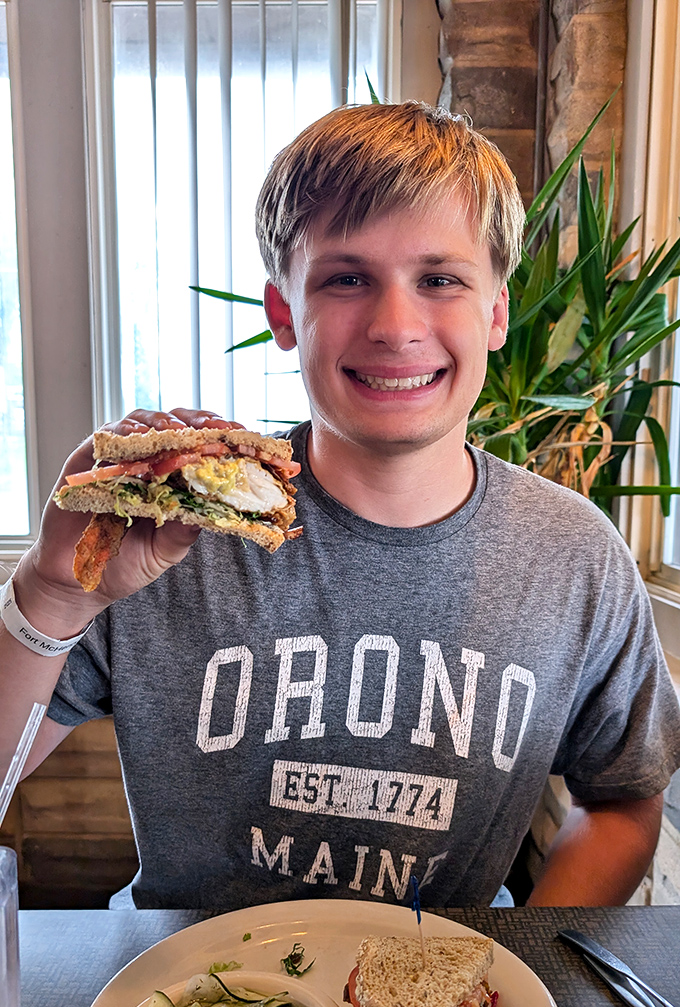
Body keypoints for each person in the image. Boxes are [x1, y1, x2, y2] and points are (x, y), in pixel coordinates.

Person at [1, 102, 678, 911]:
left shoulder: (575, 557)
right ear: (284, 313)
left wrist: (513, 965)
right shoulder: (166, 532)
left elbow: (624, 796)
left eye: (440, 279)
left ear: (496, 309)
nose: (396, 326)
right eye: (347, 278)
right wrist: (54, 592)